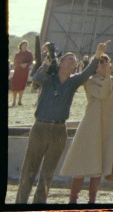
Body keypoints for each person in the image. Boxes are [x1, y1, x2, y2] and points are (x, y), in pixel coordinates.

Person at [15, 40, 107, 205]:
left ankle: (39, 204)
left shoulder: (73, 83)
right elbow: (36, 78)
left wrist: (98, 53)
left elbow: (87, 72)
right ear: (60, 63)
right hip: (40, 127)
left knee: (48, 173)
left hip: (59, 129)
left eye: (74, 60)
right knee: (29, 169)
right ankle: (20, 203)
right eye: (69, 58)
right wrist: (45, 64)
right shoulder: (49, 79)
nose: (73, 61)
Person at [61, 51, 113, 206]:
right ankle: (73, 200)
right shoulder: (90, 82)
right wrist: (107, 77)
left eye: (106, 62)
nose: (104, 65)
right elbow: (102, 94)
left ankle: (92, 200)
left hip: (107, 129)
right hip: (91, 127)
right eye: (101, 62)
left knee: (99, 166)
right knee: (82, 164)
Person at [10, 40, 34, 106]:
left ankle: (20, 101)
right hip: (17, 71)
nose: (25, 47)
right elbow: (15, 63)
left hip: (25, 72)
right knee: (15, 86)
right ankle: (14, 101)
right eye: (23, 45)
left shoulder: (29, 54)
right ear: (20, 46)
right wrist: (20, 65)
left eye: (26, 46)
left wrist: (26, 64)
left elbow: (31, 61)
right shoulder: (17, 54)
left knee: (22, 86)